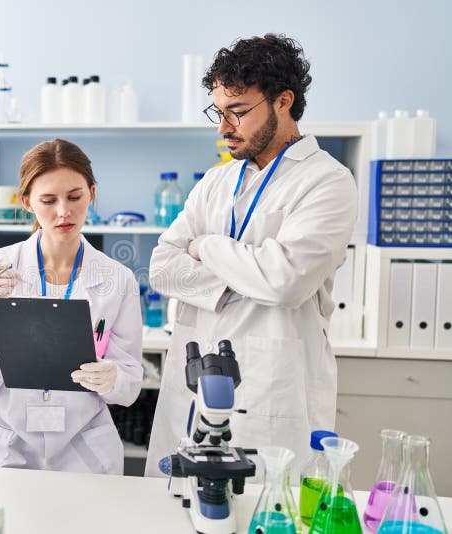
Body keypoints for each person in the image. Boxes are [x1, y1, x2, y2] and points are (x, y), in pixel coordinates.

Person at [145, 34, 358, 476]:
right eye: (219, 112)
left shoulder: (327, 182)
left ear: (283, 101)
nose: (224, 128)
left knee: (263, 512)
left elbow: (284, 282)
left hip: (268, 393)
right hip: (192, 382)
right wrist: (243, 277)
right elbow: (162, 268)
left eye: (238, 112)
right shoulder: (215, 182)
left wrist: (205, 247)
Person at [0, 138, 143, 474]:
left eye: (74, 197)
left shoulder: (118, 279)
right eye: (48, 200)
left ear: (92, 194)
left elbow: (129, 386)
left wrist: (113, 377)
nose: (63, 212)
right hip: (1, 443)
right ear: (27, 202)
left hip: (81, 449)